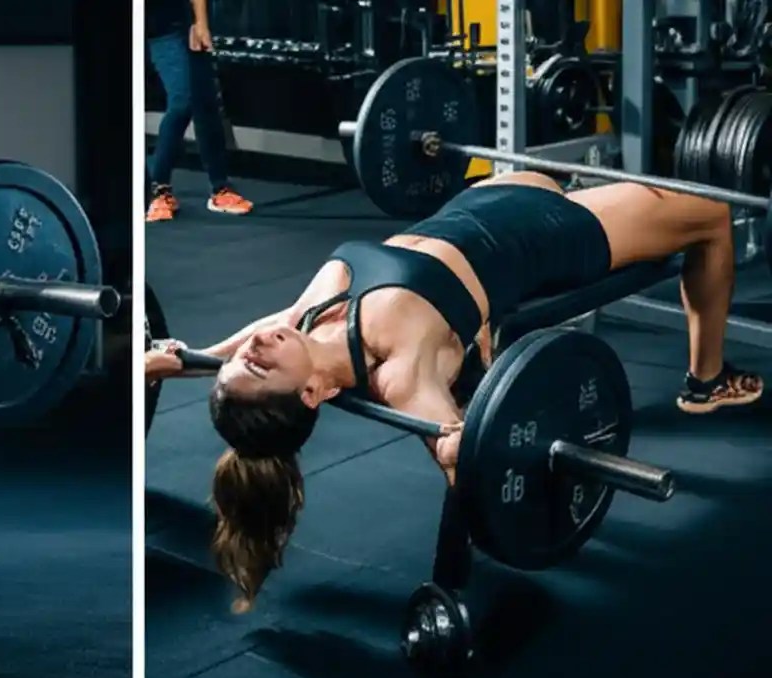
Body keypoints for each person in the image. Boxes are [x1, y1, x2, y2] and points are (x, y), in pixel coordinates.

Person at [145, 172, 763, 611]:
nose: (254, 347)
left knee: (555, 176)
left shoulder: (304, 323)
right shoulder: (399, 371)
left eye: (244, 359)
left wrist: (175, 363)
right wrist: (458, 456)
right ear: (313, 393)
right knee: (712, 217)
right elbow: (459, 448)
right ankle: (706, 381)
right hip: (552, 233)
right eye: (257, 366)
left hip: (487, 199)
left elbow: (248, 337)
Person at [146, 0, 253, 222]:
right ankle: (158, 188)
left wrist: (201, 24)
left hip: (179, 25)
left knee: (204, 102)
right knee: (183, 101)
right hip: (152, 31)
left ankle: (220, 188)